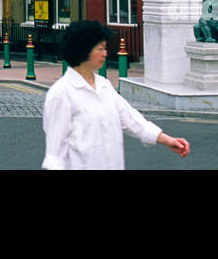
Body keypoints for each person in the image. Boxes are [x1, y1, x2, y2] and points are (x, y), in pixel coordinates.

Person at [42, 20, 191, 169]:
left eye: (105, 48)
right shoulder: (61, 93)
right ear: (83, 50)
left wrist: (167, 140)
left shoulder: (104, 86)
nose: (105, 53)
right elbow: (55, 154)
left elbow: (131, 120)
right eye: (100, 49)